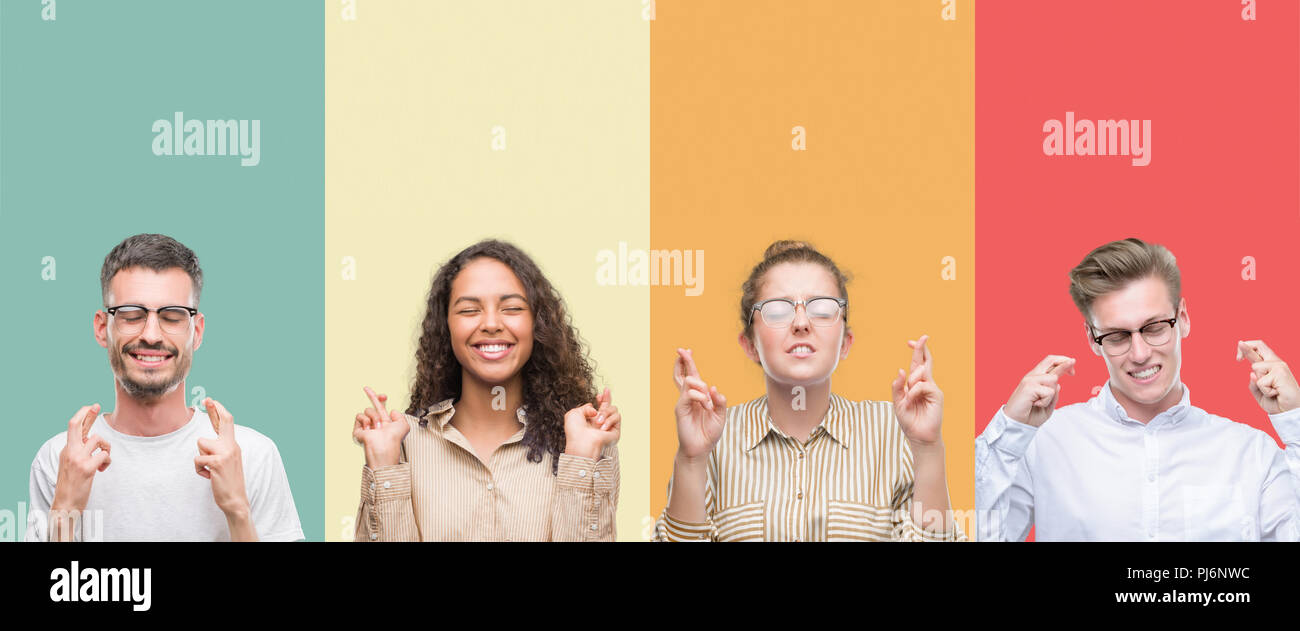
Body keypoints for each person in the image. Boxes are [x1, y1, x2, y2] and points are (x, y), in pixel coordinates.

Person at [977, 238, 1300, 541]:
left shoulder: (1252, 454)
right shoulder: (1042, 444)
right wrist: (1010, 431)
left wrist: (1296, 424)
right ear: (1092, 338)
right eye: (1117, 336)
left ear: (1183, 318)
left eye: (1155, 328)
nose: (1140, 353)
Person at [655, 240, 962, 541]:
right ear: (750, 345)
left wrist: (928, 447)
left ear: (845, 343)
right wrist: (691, 460)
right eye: (777, 310)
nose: (801, 322)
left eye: (822, 308)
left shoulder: (894, 432)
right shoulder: (713, 441)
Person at [26, 234, 303, 542]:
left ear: (196, 333)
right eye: (132, 314)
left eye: (172, 316)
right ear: (103, 328)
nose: (152, 334)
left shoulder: (253, 456)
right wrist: (65, 507)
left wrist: (238, 510)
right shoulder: (60, 458)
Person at [352, 240, 620, 541]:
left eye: (512, 308)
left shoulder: (582, 441)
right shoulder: (402, 443)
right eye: (469, 310)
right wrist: (384, 465)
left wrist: (581, 458)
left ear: (537, 323)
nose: (491, 323)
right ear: (446, 326)